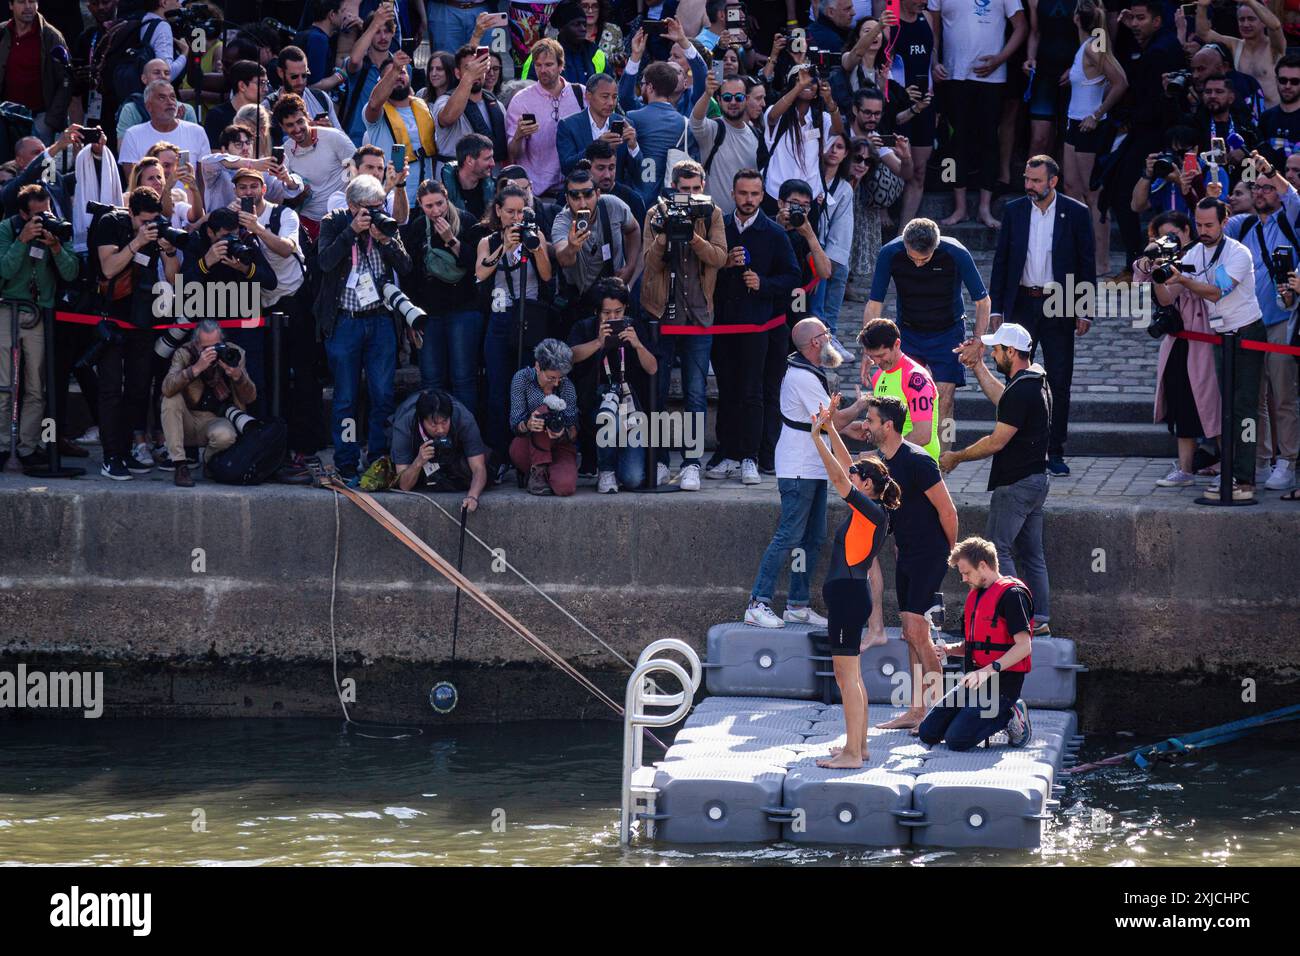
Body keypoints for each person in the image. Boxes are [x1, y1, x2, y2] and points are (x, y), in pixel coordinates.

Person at [745, 317, 865, 628]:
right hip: (798, 468)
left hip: (813, 467)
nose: (830, 338)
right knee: (789, 536)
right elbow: (832, 422)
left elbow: (824, 421)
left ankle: (797, 604)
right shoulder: (804, 378)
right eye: (826, 334)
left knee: (812, 538)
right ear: (815, 343)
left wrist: (855, 428)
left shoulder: (809, 372)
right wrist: (861, 406)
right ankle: (758, 602)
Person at [943, 323, 1054, 635]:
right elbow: (1005, 400)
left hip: (1015, 485)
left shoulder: (1023, 390)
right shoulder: (1035, 380)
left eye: (995, 350)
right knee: (1032, 554)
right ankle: (1039, 619)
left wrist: (956, 457)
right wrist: (977, 366)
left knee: (995, 551)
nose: (992, 354)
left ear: (1011, 352)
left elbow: (996, 441)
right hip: (1036, 482)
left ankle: (1011, 619)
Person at [988, 155, 1095, 476]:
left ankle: (1054, 450)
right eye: (1027, 179)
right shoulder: (1014, 210)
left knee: (1059, 379)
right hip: (1022, 302)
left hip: (1060, 302)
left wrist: (1084, 308)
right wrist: (996, 308)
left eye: (1036, 180)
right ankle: (1017, 446)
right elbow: (1002, 260)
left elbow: (1086, 262)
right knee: (1015, 378)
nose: (1029, 186)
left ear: (1053, 181)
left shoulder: (1076, 213)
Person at [859, 394, 959, 726]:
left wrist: (950, 553)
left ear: (888, 425)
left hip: (930, 554)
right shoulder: (881, 463)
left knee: (918, 632)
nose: (866, 425)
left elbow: (947, 510)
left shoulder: (918, 461)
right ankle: (917, 712)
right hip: (905, 554)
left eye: (871, 420)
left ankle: (944, 711)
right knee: (909, 633)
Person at [807, 406, 897, 769]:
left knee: (845, 679)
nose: (852, 474)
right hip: (847, 597)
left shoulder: (872, 512)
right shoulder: (869, 507)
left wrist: (816, 439)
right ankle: (859, 747)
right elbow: (847, 469)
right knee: (852, 676)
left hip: (847, 598)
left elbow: (839, 477)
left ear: (868, 485)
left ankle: (851, 754)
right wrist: (830, 428)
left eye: (858, 474)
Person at [1161, 197, 1265, 500]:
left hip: (1246, 333)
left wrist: (1183, 278)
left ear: (1224, 221)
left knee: (1244, 408)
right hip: (1222, 336)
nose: (1203, 230)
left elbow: (1217, 291)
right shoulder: (1194, 251)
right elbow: (1169, 296)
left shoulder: (1238, 253)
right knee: (1226, 408)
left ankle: (1245, 479)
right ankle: (1230, 473)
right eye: (1199, 224)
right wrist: (1154, 272)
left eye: (1209, 224)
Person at [315, 174, 414, 484]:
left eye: (379, 205)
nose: (376, 211)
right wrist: (350, 233)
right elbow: (324, 263)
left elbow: (407, 266)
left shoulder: (385, 224)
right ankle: (346, 460)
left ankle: (379, 457)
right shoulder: (334, 222)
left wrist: (386, 242)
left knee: (383, 394)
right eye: (369, 207)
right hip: (345, 320)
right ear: (352, 205)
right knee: (345, 396)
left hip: (380, 319)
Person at [864, 218, 990, 449]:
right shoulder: (890, 253)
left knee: (945, 397)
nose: (919, 264)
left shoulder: (956, 252)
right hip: (908, 331)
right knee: (901, 397)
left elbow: (983, 301)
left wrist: (979, 340)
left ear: (936, 245)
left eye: (925, 259)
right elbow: (874, 304)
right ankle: (902, 454)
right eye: (913, 258)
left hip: (948, 332)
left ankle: (943, 458)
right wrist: (868, 350)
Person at [708, 168, 800, 486]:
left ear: (763, 196)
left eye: (754, 194)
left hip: (760, 327)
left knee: (753, 392)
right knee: (728, 390)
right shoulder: (718, 228)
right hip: (722, 326)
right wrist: (725, 265)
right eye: (743, 193)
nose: (748, 200)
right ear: (733, 194)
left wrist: (763, 284)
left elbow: (793, 277)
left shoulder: (774, 233)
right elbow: (705, 270)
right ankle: (727, 452)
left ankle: (752, 456)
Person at [642, 158, 728, 490]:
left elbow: (719, 258)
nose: (690, 196)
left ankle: (692, 462)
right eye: (684, 189)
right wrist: (665, 236)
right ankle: (660, 459)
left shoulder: (713, 214)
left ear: (703, 187)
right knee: (658, 391)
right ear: (673, 188)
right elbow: (649, 265)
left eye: (695, 189)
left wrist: (692, 236)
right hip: (662, 314)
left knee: (695, 392)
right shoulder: (656, 213)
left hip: (698, 316)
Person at [90, 187, 181, 480]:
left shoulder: (157, 231)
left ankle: (127, 450)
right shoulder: (110, 223)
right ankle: (111, 456)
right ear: (131, 213)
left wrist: (167, 251)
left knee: (139, 388)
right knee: (111, 389)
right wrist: (136, 242)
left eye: (154, 221)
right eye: (144, 221)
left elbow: (173, 281)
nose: (149, 227)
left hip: (143, 317)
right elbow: (107, 269)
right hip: (111, 317)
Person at [1223, 155, 1300, 492]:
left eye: (1269, 188)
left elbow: (1295, 197)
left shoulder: (1290, 220)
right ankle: (1260, 459)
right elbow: (1207, 229)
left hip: (1283, 321)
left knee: (1283, 396)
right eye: (1257, 187)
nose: (1261, 192)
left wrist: (1271, 171)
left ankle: (1288, 461)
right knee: (1254, 400)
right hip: (1251, 324)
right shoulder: (1243, 227)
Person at [919, 536, 1034, 752]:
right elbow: (977, 644)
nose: (963, 579)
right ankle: (973, 717)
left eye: (966, 572)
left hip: (1001, 687)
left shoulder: (1012, 595)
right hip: (973, 684)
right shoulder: (977, 595)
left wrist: (988, 671)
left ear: (983, 566)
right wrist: (950, 650)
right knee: (928, 732)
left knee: (956, 740)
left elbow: (1024, 646)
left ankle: (1011, 713)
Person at [1134, 210, 1222, 488]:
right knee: (1181, 403)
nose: (1170, 241)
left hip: (1207, 341)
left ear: (1187, 230)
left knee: (1212, 405)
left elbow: (1210, 288)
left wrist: (1180, 273)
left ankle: (1230, 464)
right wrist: (1156, 269)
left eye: (1174, 235)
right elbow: (1164, 298)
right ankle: (1185, 469)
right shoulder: (1167, 263)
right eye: (1163, 237)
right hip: (1178, 341)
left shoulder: (1204, 254)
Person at [476, 184, 555, 470]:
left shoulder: (537, 235)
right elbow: (480, 273)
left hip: (529, 317)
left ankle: (528, 454)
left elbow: (546, 276)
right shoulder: (488, 241)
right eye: (509, 212)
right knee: (498, 390)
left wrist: (536, 249)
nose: (515, 217)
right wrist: (504, 248)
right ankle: (499, 453)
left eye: (520, 211)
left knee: (530, 387)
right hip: (500, 317)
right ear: (498, 211)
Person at [0, 184, 79, 472]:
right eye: (36, 215)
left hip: (39, 314)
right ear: (22, 214)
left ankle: (28, 446)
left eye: (47, 212)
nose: (43, 218)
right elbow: (3, 272)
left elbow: (71, 272)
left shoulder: (56, 230)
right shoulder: (7, 230)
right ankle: (2, 446)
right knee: (5, 385)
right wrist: (21, 241)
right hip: (7, 311)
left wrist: (56, 247)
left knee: (37, 387)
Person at [930, 0, 1026, 229]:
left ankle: (985, 208)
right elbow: (933, 29)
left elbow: (1021, 27)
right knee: (956, 141)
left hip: (992, 77)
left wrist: (1000, 59)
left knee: (989, 140)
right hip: (954, 74)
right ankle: (959, 207)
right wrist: (933, 62)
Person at [567, 276, 657, 492]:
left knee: (633, 479)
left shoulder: (634, 328)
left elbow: (653, 367)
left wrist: (637, 345)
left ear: (626, 308)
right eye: (607, 313)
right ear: (598, 312)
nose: (613, 317)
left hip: (629, 405)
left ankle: (617, 464)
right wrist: (598, 342)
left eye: (618, 312)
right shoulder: (586, 327)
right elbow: (569, 357)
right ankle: (606, 469)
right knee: (610, 419)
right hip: (596, 401)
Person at [398, 178, 479, 409]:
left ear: (447, 198)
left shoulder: (465, 220)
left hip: (463, 309)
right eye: (429, 206)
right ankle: (433, 434)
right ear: (420, 205)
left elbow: (477, 266)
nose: (436, 211)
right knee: (431, 379)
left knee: (463, 378)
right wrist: (411, 319)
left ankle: (465, 435)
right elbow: (409, 275)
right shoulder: (416, 227)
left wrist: (451, 240)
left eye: (440, 203)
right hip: (428, 314)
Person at [1060, 0, 1127, 278]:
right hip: (1073, 124)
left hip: (1088, 126)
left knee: (1092, 194)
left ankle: (1101, 261)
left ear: (1077, 18)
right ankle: (1078, 252)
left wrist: (1097, 113)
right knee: (1071, 188)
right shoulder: (1083, 47)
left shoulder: (1092, 47)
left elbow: (1121, 81)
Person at [157, 320, 255, 487]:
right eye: (206, 348)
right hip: (186, 420)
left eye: (216, 346)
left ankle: (210, 463)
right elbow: (167, 388)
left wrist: (238, 377)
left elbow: (250, 398)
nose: (212, 352)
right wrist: (196, 368)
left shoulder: (235, 353)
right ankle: (180, 465)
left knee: (226, 435)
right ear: (197, 343)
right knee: (170, 399)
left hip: (214, 419)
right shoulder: (184, 353)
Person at [551, 163, 641, 314]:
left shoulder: (613, 205)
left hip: (614, 299)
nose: (582, 203)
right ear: (566, 198)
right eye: (575, 196)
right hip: (580, 302)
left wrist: (630, 266)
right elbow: (563, 259)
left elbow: (633, 229)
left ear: (598, 194)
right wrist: (572, 247)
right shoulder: (562, 221)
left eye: (588, 194)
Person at [505, 37, 585, 198]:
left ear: (561, 66)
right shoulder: (521, 100)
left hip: (575, 191)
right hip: (538, 194)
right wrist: (519, 136)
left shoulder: (581, 94)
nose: (542, 70)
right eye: (538, 65)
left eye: (548, 64)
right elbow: (513, 153)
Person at [274, 93, 357, 239]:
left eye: (300, 121)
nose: (297, 129)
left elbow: (358, 172)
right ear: (282, 127)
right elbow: (288, 196)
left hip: (342, 219)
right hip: (308, 221)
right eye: (290, 125)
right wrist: (298, 196)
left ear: (307, 117)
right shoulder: (286, 151)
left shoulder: (334, 137)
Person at [858, 317, 939, 462]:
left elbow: (922, 434)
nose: (876, 361)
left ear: (897, 344)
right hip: (893, 459)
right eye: (871, 356)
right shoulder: (879, 375)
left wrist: (880, 454)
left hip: (918, 464)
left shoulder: (915, 378)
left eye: (881, 355)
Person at [762, 64, 846, 205]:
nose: (807, 83)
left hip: (808, 199)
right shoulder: (779, 113)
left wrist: (830, 101)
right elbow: (771, 117)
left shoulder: (821, 118)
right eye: (799, 79)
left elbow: (838, 130)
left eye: (813, 81)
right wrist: (799, 87)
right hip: (776, 196)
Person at [391, 387, 489, 504]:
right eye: (433, 425)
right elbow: (404, 486)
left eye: (445, 422)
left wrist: (472, 496)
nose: (441, 429)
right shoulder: (405, 425)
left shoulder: (463, 418)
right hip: (416, 454)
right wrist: (418, 462)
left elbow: (479, 468)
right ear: (421, 420)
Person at [509, 337, 581, 496]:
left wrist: (562, 431)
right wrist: (528, 424)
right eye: (551, 377)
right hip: (526, 444)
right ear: (537, 366)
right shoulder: (522, 379)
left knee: (565, 487)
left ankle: (542, 474)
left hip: (558, 446)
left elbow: (573, 428)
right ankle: (539, 471)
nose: (556, 383)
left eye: (559, 378)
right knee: (543, 411)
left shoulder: (567, 386)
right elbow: (515, 423)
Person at [0, 0, 73, 143]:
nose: (28, 7)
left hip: (40, 117)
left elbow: (67, 79)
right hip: (5, 115)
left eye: (32, 1)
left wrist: (51, 120)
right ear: (10, 5)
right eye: (21, 2)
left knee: (39, 164)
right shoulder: (2, 33)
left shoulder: (51, 36)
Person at [689, 72, 757, 218]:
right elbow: (695, 121)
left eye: (738, 97)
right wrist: (707, 94)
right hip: (712, 222)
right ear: (719, 100)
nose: (733, 102)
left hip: (746, 223)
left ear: (747, 99)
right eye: (727, 98)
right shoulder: (713, 129)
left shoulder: (756, 135)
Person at [1195, 0, 1286, 109]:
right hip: (1246, 120)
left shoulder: (1274, 46)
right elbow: (1204, 33)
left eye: (1251, 19)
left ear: (1263, 22)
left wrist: (1249, 1)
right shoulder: (1235, 45)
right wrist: (1202, 6)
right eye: (1241, 20)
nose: (1245, 24)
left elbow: (1275, 26)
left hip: (1272, 117)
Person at [432, 46, 509, 173]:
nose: (476, 72)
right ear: (457, 73)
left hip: (490, 181)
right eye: (469, 68)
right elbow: (447, 118)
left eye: (479, 67)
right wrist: (469, 77)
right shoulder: (444, 101)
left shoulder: (497, 105)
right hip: (455, 180)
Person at [117, 81, 211, 179]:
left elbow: (204, 181)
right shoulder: (133, 135)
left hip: (188, 194)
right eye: (162, 98)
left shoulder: (197, 132)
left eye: (172, 97)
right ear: (149, 106)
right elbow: (133, 182)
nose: (170, 102)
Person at [556, 72, 639, 177]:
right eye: (605, 97)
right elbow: (567, 168)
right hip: (583, 191)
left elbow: (637, 173)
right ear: (588, 96)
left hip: (617, 191)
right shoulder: (568, 125)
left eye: (614, 97)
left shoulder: (626, 125)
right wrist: (596, 147)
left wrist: (633, 147)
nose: (611, 103)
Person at [808, 132, 854, 324]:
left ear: (845, 154)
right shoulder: (808, 177)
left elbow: (842, 231)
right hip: (807, 250)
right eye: (830, 145)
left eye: (840, 147)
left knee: (829, 320)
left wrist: (827, 261)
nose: (834, 150)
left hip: (830, 256)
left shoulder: (844, 188)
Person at [340, 4, 400, 145]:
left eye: (387, 31)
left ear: (393, 33)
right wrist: (375, 23)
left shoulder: (402, 68)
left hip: (389, 139)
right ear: (368, 33)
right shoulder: (360, 64)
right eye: (377, 32)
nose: (383, 37)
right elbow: (354, 60)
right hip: (356, 139)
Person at [116, 58, 200, 148]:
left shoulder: (186, 109)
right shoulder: (131, 109)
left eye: (167, 73)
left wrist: (178, 126)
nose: (163, 76)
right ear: (144, 78)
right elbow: (123, 149)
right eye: (156, 72)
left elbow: (195, 148)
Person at [263, 45, 342, 139]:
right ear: (280, 72)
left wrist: (330, 131)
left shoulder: (321, 98)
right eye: (294, 76)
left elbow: (342, 139)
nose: (300, 82)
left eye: (304, 75)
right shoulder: (268, 106)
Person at [520, 2, 605, 84]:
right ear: (562, 28)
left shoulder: (595, 53)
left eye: (584, 24)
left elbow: (608, 89)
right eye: (576, 24)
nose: (583, 29)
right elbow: (526, 91)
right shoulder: (540, 53)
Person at [204, 60, 270, 149]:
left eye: (267, 83)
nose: (266, 89)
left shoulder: (267, 117)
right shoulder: (216, 116)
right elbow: (214, 154)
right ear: (242, 86)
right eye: (261, 83)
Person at [438, 132, 496, 220]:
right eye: (487, 158)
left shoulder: (496, 188)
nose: (493, 164)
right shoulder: (440, 196)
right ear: (469, 160)